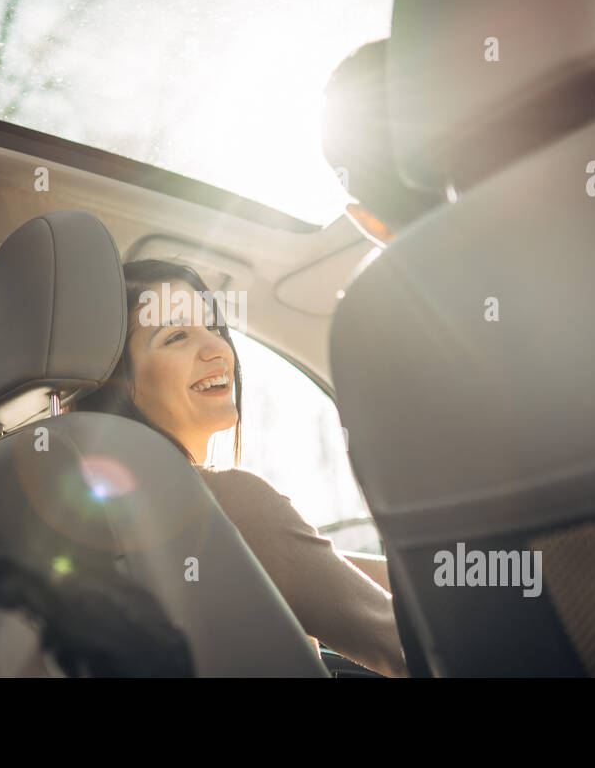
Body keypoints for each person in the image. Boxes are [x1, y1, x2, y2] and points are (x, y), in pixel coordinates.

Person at [72, 259, 410, 678]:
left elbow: (313, 569)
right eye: (176, 335)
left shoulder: (101, 506)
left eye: (213, 328)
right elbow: (408, 648)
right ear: (116, 380)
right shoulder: (224, 501)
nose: (219, 349)